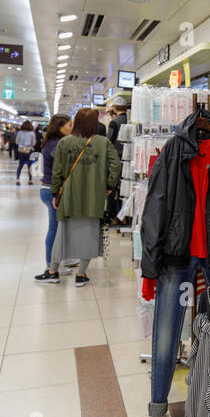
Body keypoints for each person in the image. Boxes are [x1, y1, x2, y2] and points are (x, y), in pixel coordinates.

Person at [36, 108, 120, 286]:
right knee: (89, 235)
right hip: (94, 197)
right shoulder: (103, 142)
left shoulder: (64, 142)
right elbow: (115, 165)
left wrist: (55, 193)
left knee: (62, 233)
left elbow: (57, 171)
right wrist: (109, 185)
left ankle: (53, 271)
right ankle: (81, 275)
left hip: (69, 196)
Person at [34, 114, 72, 283]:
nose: (71, 128)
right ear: (60, 127)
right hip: (52, 191)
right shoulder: (55, 145)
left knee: (59, 229)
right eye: (69, 125)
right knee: (54, 229)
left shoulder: (56, 143)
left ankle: (57, 263)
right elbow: (66, 164)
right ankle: (51, 267)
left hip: (53, 190)